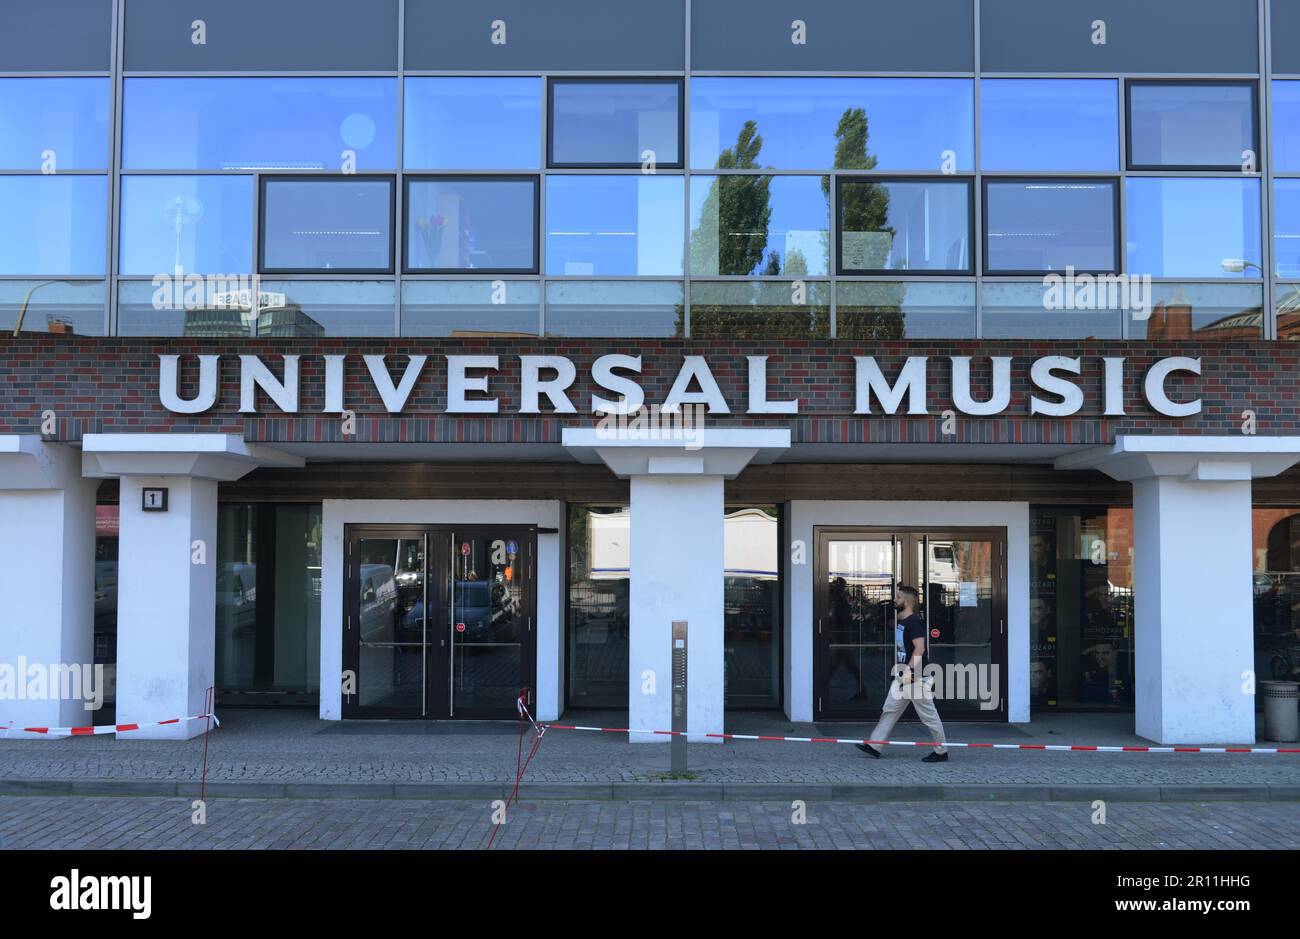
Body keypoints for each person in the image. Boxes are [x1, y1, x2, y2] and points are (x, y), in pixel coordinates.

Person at [856, 584, 949, 763]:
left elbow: (920, 648)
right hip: (904, 677)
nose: (894, 600)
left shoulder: (913, 622)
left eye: (897, 597)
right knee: (889, 710)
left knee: (929, 716)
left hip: (916, 677)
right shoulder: (903, 622)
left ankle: (941, 751)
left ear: (905, 601)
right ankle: (874, 745)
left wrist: (908, 670)